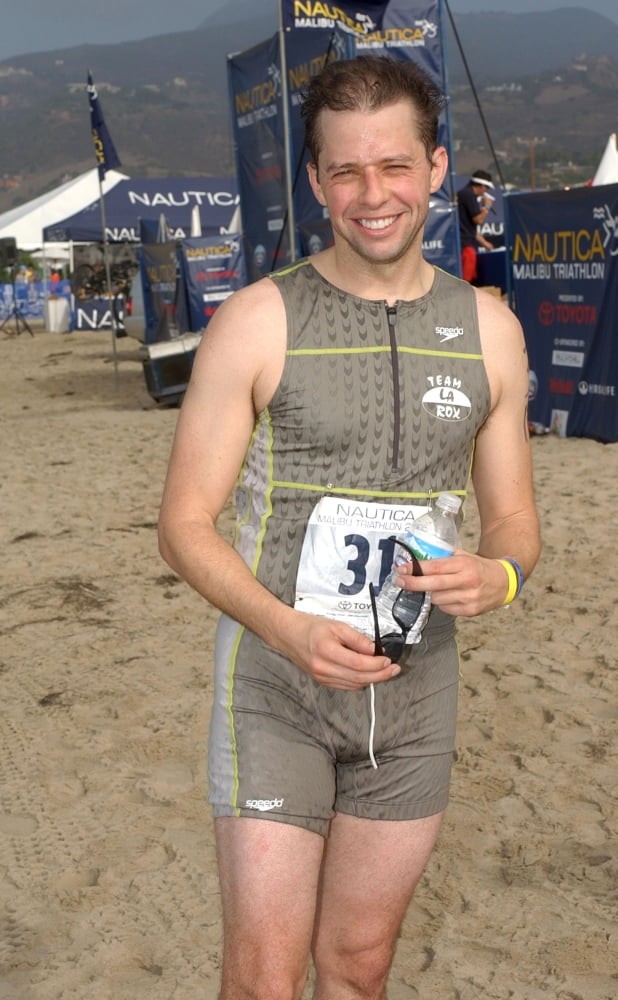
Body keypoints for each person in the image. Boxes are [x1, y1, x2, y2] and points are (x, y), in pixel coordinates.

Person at [158, 55, 540, 1000]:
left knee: (360, 968)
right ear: (317, 180)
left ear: (437, 166)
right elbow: (183, 525)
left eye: (395, 166)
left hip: (416, 699)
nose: (374, 195)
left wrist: (503, 578)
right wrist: (288, 630)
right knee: (264, 980)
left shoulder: (489, 328)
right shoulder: (256, 321)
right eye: (346, 171)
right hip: (279, 686)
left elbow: (515, 518)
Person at [457, 168, 496, 283]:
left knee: (468, 279)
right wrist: (486, 207)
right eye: (487, 188)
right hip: (465, 246)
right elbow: (478, 220)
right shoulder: (468, 195)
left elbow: (468, 227)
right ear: (482, 187)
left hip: (466, 243)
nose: (485, 191)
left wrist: (485, 243)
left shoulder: (466, 194)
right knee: (465, 281)